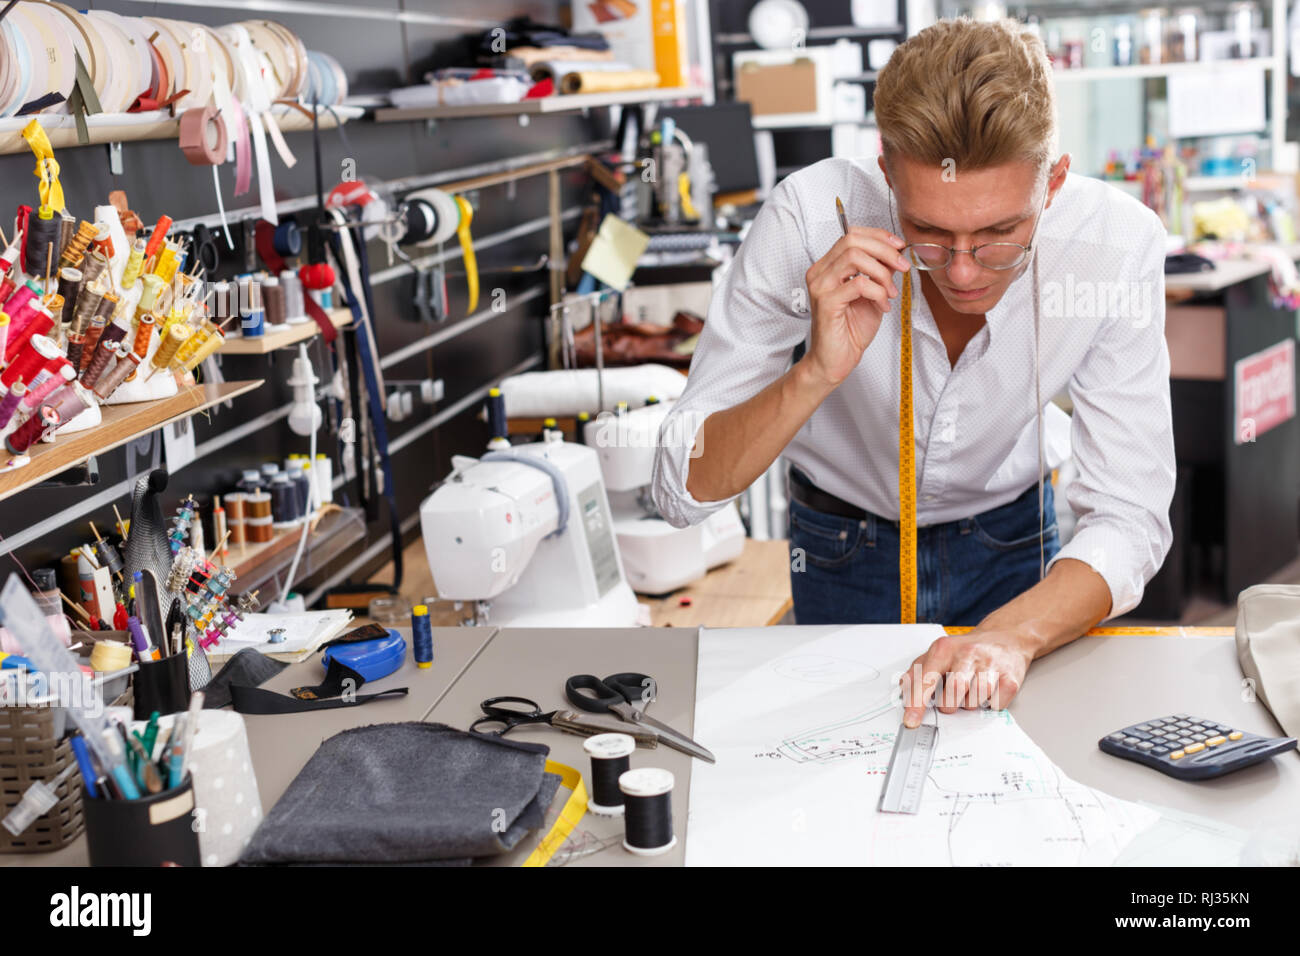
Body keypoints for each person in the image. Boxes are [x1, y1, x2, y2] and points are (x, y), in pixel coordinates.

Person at [651, 17, 1175, 725]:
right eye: (929, 231)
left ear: (1052, 182)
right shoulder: (808, 218)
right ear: (886, 168)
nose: (962, 272)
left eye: (998, 236)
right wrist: (815, 372)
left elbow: (1131, 514)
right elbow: (683, 492)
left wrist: (1010, 636)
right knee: (843, 784)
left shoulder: (1113, 243)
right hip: (842, 551)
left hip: (1015, 546)